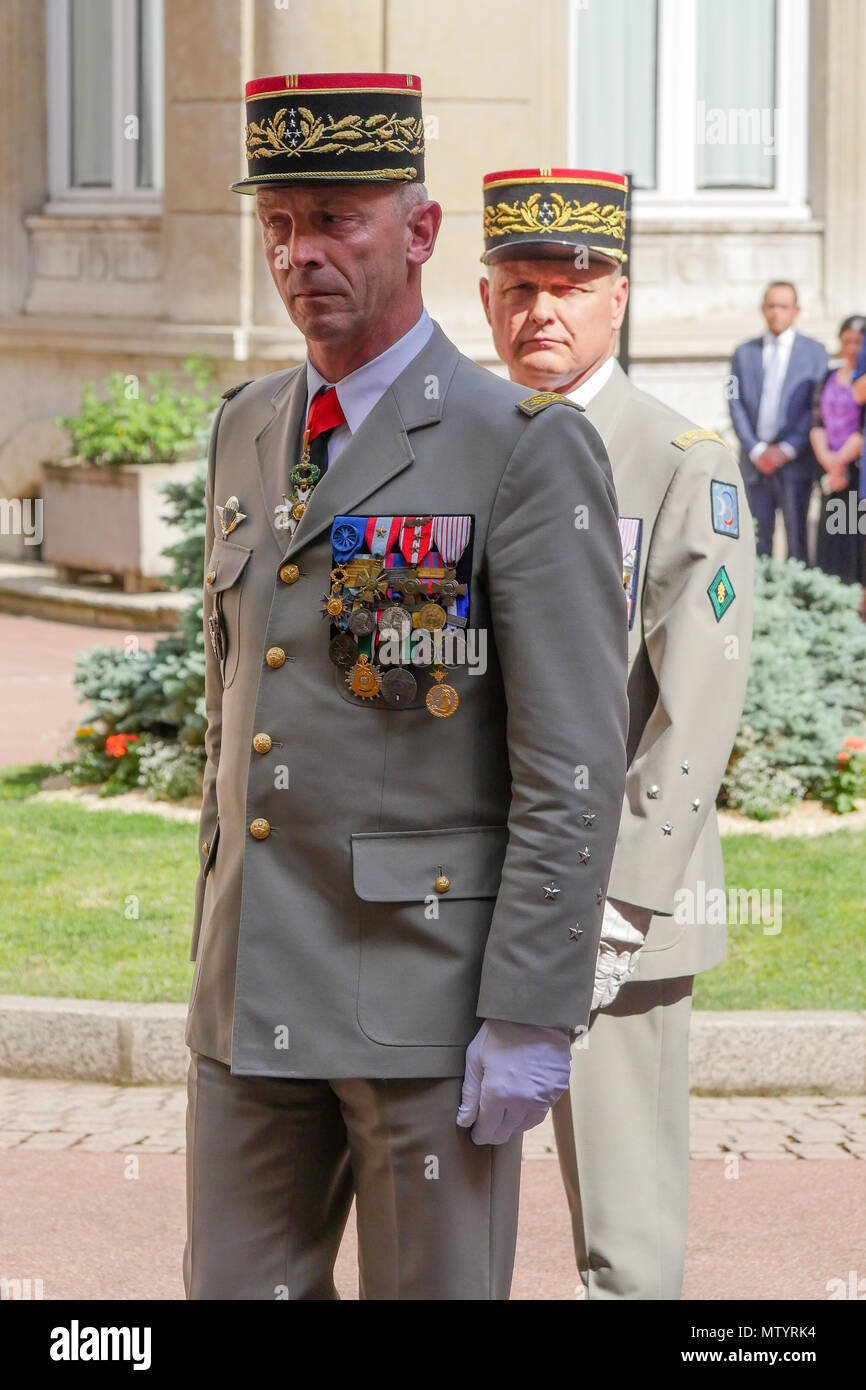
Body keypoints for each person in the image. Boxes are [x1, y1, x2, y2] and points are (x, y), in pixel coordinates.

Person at [183, 79, 629, 1301]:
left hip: (425, 1007)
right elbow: (240, 692)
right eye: (278, 224)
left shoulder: (518, 449)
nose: (299, 253)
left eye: (335, 218)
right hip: (255, 985)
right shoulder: (249, 427)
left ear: (420, 233)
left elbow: (569, 757)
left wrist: (532, 1006)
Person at [479, 166, 755, 1299]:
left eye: (571, 283)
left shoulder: (681, 458)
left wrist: (620, 904)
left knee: (625, 1247)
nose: (542, 307)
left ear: (617, 297)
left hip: (614, 907)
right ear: (485, 293)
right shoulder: (465, 440)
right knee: (448, 1216)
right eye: (518, 283)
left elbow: (698, 701)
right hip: (469, 886)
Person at [729, 281, 828, 561]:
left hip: (796, 462)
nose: (776, 312)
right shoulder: (743, 353)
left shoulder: (815, 352)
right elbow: (733, 401)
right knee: (757, 539)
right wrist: (756, 449)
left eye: (783, 306)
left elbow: (816, 407)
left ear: (796, 311)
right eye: (771, 306)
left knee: (797, 539)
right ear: (762, 309)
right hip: (755, 464)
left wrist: (787, 449)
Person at [811, 315, 866, 584]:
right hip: (832, 474)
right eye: (848, 341)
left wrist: (841, 461)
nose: (853, 347)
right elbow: (817, 421)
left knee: (855, 534)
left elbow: (862, 429)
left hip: (856, 472)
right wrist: (829, 461)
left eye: (859, 342)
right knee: (832, 536)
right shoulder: (829, 376)